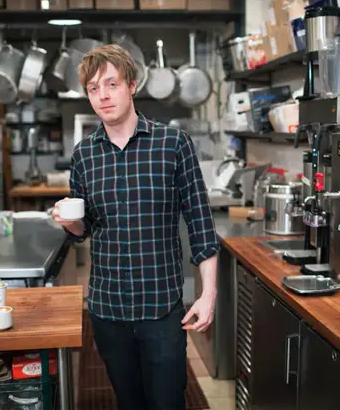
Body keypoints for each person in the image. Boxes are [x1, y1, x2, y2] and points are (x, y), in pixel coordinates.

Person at [52, 44, 219, 410]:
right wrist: (71, 221)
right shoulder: (84, 155)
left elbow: (200, 223)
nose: (103, 95)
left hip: (160, 307)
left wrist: (207, 296)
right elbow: (86, 228)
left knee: (167, 402)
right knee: (129, 402)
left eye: (110, 84)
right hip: (106, 308)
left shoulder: (173, 144)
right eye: (93, 89)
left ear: (131, 85)